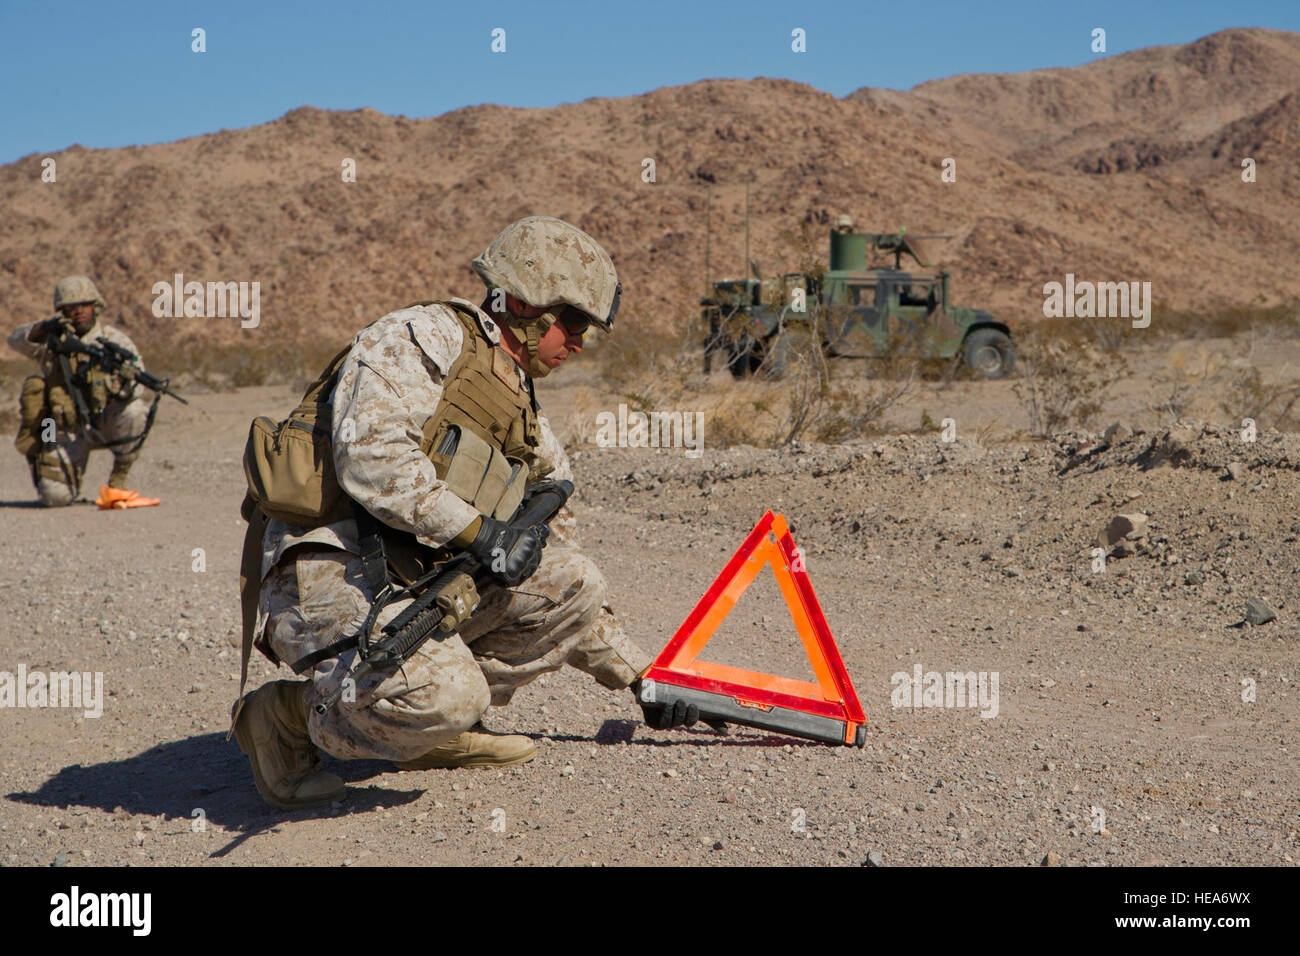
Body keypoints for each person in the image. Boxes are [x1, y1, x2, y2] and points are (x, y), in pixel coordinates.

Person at [233, 217, 708, 812]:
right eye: (575, 323)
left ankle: (424, 722)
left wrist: (643, 678)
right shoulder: (420, 337)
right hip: (331, 565)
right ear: (527, 304)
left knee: (575, 579)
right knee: (446, 697)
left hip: (416, 575)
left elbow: (551, 547)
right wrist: (479, 533)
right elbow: (372, 457)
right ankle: (288, 719)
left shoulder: (518, 403)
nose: (581, 343)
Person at [8, 275, 156, 507]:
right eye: (70, 307)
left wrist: (123, 384)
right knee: (54, 498)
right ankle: (43, 460)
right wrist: (44, 328)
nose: (78, 311)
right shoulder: (51, 342)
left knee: (135, 411)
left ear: (95, 307)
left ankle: (119, 479)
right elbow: (15, 340)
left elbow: (138, 388)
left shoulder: (114, 341)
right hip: (63, 429)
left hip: (103, 422)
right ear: (61, 311)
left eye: (83, 305)